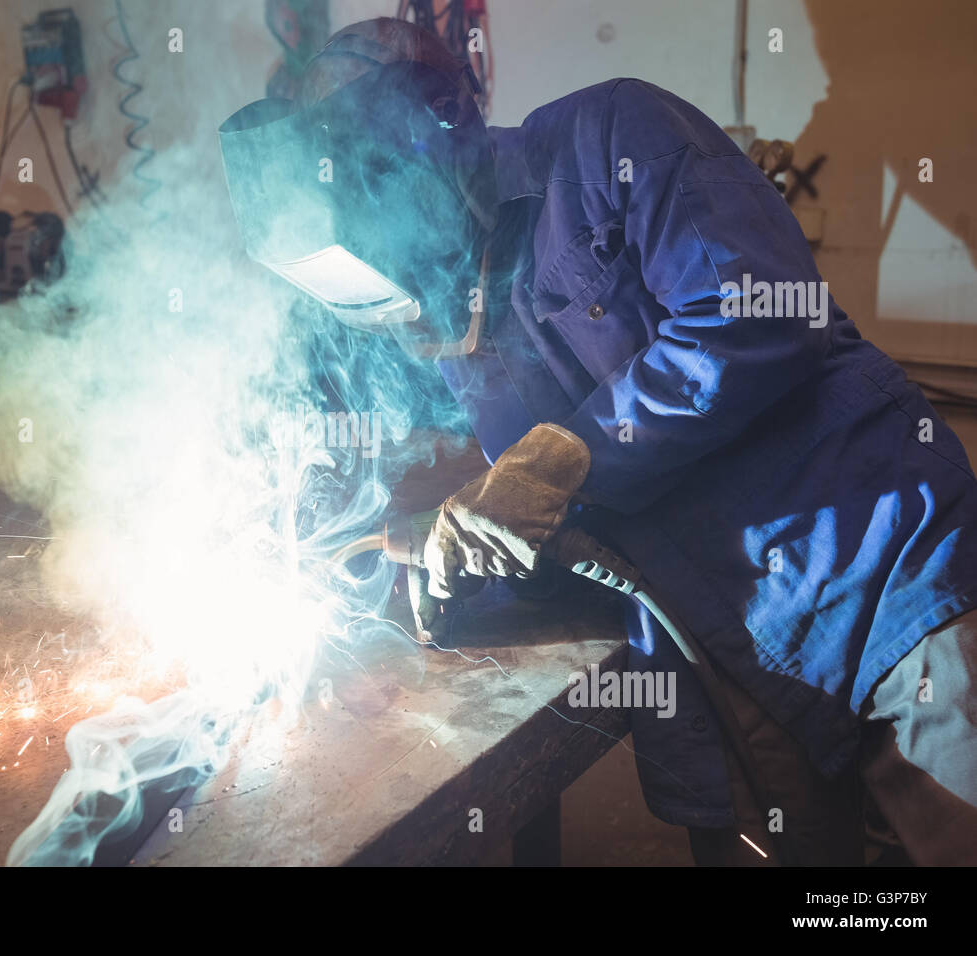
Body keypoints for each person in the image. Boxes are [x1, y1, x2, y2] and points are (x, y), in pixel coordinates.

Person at [220, 17, 977, 865]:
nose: (411, 303)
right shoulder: (449, 301)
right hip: (724, 667)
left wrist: (560, 460)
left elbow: (759, 313)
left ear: (442, 121)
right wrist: (447, 547)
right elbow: (568, 512)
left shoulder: (610, 139)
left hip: (881, 587)